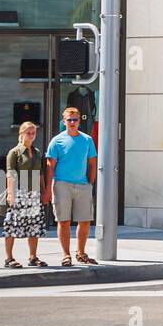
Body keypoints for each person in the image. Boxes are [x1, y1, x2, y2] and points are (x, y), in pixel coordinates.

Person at [45, 107, 98, 267]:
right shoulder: (57, 141)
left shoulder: (87, 140)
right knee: (63, 221)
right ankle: (66, 254)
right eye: (69, 120)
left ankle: (81, 253)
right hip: (62, 184)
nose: (72, 122)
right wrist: (48, 189)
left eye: (75, 120)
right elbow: (50, 165)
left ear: (79, 121)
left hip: (83, 185)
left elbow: (92, 161)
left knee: (85, 220)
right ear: (64, 122)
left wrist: (91, 181)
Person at [3, 122, 49, 268]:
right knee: (12, 225)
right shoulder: (14, 152)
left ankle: (33, 257)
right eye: (28, 133)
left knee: (34, 226)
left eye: (33, 133)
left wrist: (43, 191)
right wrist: (11, 194)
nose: (31, 135)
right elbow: (10, 174)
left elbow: (40, 173)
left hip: (34, 193)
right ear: (21, 134)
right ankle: (9, 258)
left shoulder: (36, 152)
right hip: (19, 192)